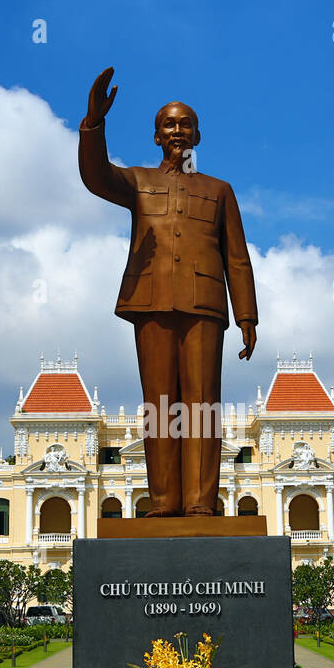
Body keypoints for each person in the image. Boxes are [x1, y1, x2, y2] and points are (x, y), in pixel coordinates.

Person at [78, 67, 258, 516]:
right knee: (160, 405)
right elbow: (96, 176)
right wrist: (93, 125)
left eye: (184, 124)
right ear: (157, 136)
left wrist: (247, 316)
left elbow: (237, 256)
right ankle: (163, 501)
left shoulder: (219, 191)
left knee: (202, 405)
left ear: (197, 134)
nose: (177, 130)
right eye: (168, 125)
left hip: (205, 305)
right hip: (151, 301)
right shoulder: (138, 182)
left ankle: (200, 503)